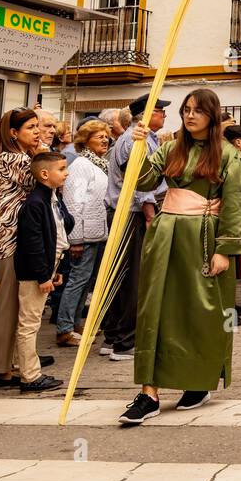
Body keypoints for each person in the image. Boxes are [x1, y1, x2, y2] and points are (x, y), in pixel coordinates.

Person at [118, 89, 241, 425]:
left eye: (198, 111)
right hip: (165, 235)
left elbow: (235, 204)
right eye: (186, 110)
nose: (190, 116)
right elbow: (144, 180)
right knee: (155, 308)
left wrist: (224, 250)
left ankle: (199, 381)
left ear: (211, 115)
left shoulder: (230, 156)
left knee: (201, 311)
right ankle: (149, 392)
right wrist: (137, 147)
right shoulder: (170, 147)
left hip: (203, 238)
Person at [103, 95, 167, 362]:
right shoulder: (135, 140)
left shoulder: (142, 138)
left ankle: (114, 335)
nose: (164, 116)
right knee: (133, 277)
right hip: (133, 213)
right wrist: (150, 213)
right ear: (147, 114)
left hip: (129, 212)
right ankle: (125, 341)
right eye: (160, 111)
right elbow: (141, 182)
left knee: (123, 274)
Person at [0, 107, 43, 388]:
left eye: (37, 126)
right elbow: (46, 179)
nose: (38, 132)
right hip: (11, 239)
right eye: (31, 127)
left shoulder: (15, 156)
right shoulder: (14, 158)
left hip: (12, 237)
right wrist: (42, 154)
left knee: (11, 301)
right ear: (13, 133)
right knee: (8, 303)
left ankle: (7, 364)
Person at [12, 152, 72, 393]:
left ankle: (22, 365)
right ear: (45, 174)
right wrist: (43, 275)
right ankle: (30, 376)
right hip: (35, 271)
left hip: (50, 265)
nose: (66, 173)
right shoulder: (35, 203)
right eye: (61, 169)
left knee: (30, 320)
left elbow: (60, 230)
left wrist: (56, 269)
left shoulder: (53, 198)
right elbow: (33, 243)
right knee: (30, 322)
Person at [56, 119, 111, 347]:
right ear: (85, 141)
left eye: (106, 136)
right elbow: (73, 203)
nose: (105, 140)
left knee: (84, 279)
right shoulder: (81, 165)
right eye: (99, 136)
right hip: (84, 233)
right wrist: (76, 239)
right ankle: (64, 328)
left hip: (96, 231)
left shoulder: (99, 163)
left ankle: (77, 323)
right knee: (77, 280)